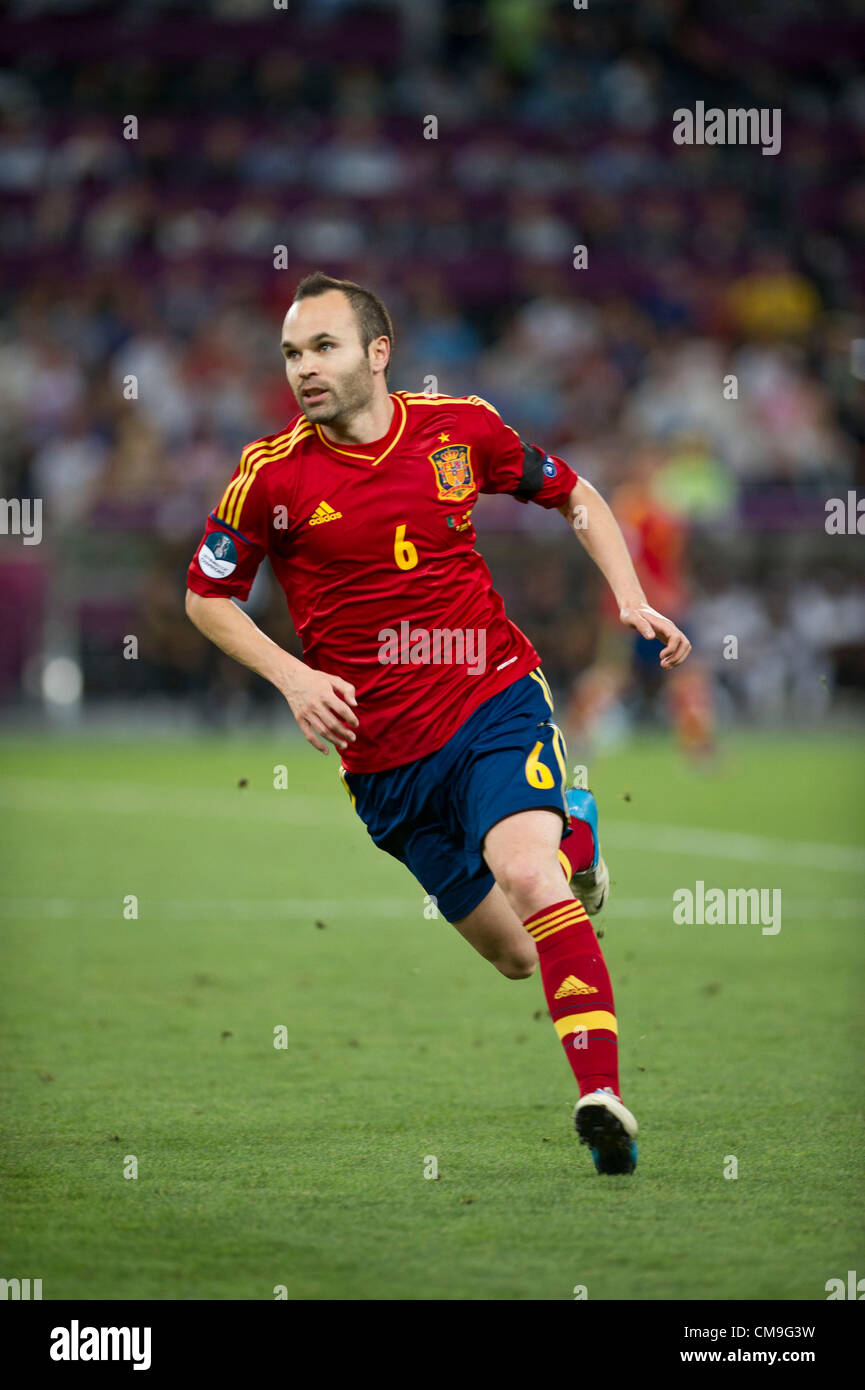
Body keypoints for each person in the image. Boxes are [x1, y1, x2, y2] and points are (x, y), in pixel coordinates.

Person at [185, 272, 691, 1175]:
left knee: (529, 875)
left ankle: (601, 1099)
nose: (304, 368)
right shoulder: (271, 475)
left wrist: (628, 597)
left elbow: (574, 493)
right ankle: (580, 833)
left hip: (489, 694)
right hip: (383, 764)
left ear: (379, 353)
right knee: (512, 956)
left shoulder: (460, 429)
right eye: (293, 353)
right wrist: (295, 678)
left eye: (324, 347)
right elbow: (207, 596)